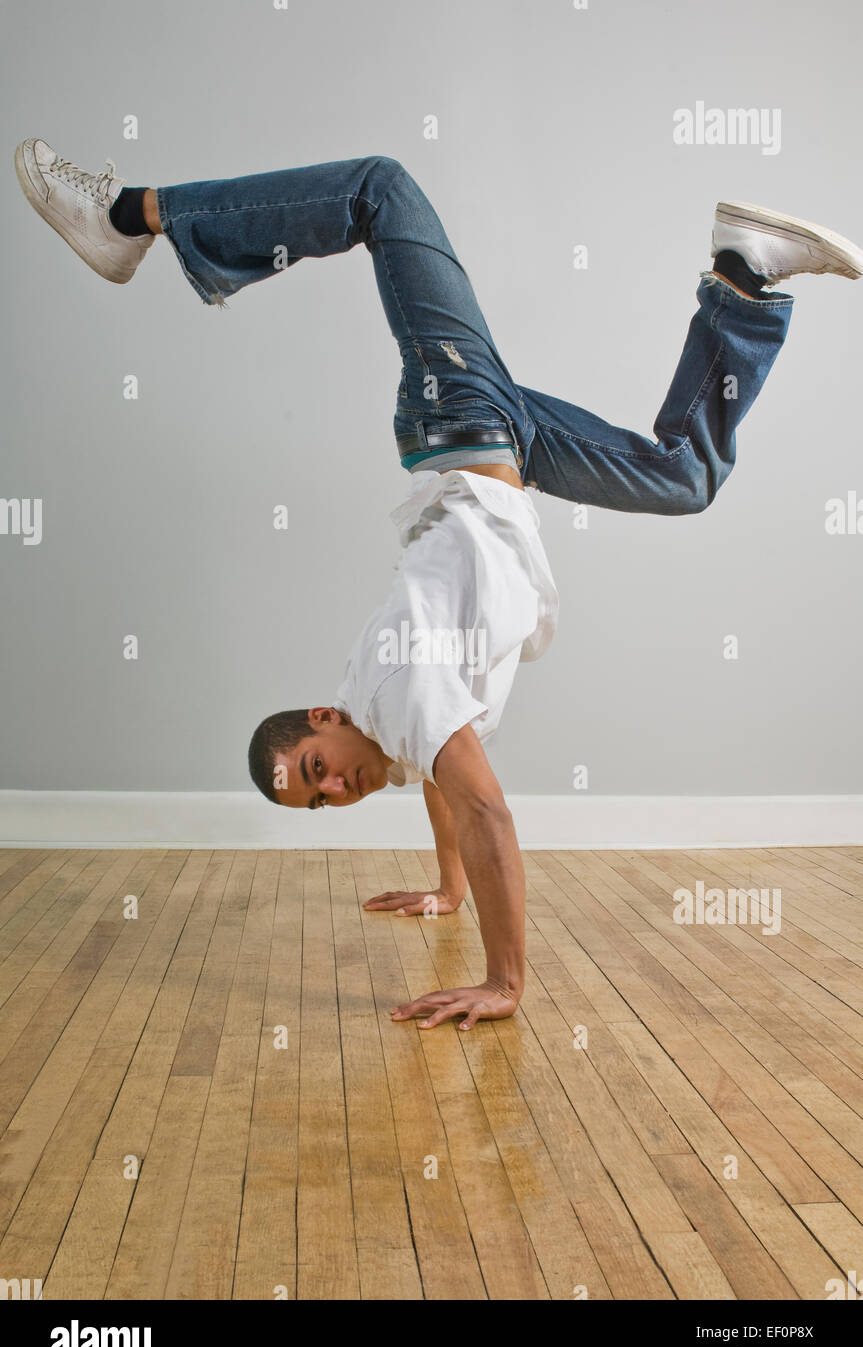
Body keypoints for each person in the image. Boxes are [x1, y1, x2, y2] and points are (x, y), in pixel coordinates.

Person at [15, 138, 863, 1030]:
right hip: (497, 443)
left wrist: (504, 983)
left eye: (317, 772)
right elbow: (435, 779)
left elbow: (486, 812)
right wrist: (446, 888)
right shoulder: (391, 721)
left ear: (324, 721)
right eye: (320, 802)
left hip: (460, 415)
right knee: (683, 476)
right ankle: (741, 274)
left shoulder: (395, 689)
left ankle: (128, 216)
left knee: (380, 190)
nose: (337, 792)